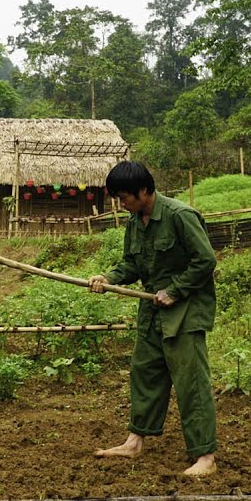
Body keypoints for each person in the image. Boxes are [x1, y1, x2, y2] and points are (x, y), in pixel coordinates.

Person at [89, 160, 218, 477]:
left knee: (191, 382)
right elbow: (131, 265)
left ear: (144, 190)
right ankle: (135, 442)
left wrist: (175, 290)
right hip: (152, 310)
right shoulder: (134, 223)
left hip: (185, 311)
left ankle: (205, 457)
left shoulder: (180, 216)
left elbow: (205, 260)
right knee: (144, 372)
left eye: (124, 198)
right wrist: (108, 278)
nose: (121, 204)